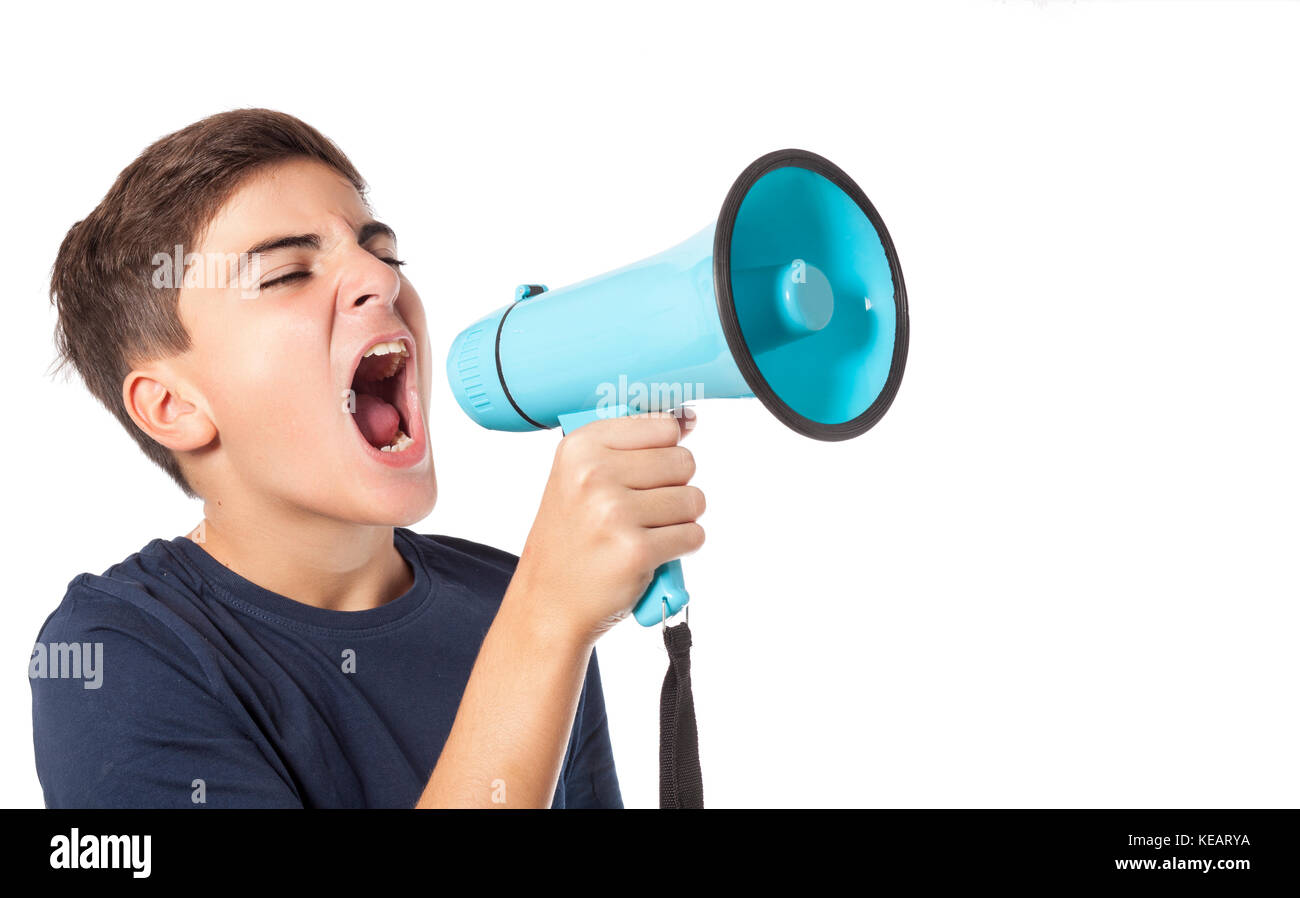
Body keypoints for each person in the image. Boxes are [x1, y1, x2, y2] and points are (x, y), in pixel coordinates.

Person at [29, 109, 705, 808]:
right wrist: (546, 621)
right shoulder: (115, 656)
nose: (378, 280)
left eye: (383, 253)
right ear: (173, 407)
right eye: (288, 272)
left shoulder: (510, 597)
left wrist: (543, 614)